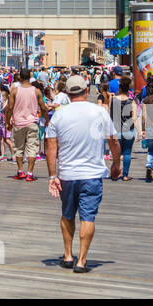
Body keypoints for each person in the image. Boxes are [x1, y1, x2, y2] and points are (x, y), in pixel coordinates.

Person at [45, 74, 121, 273]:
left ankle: (68, 255)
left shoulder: (59, 115)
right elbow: (113, 140)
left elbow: (51, 146)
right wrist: (116, 163)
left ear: (68, 94)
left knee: (67, 214)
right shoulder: (99, 112)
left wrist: (52, 175)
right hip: (92, 174)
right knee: (88, 217)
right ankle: (82, 260)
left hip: (67, 175)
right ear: (87, 91)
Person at [9, 68, 51, 181]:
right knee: (32, 148)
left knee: (18, 147)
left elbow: (9, 108)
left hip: (18, 123)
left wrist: (8, 121)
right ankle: (30, 173)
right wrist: (47, 120)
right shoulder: (36, 91)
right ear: (30, 77)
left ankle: (20, 171)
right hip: (32, 122)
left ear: (20, 78)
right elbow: (43, 107)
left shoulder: (15, 90)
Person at [111, 75, 139, 180]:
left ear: (120, 88)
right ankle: (125, 175)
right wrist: (139, 131)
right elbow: (134, 117)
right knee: (127, 153)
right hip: (128, 131)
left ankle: (115, 173)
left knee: (116, 154)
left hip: (116, 130)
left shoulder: (113, 100)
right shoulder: (131, 101)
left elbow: (111, 116)